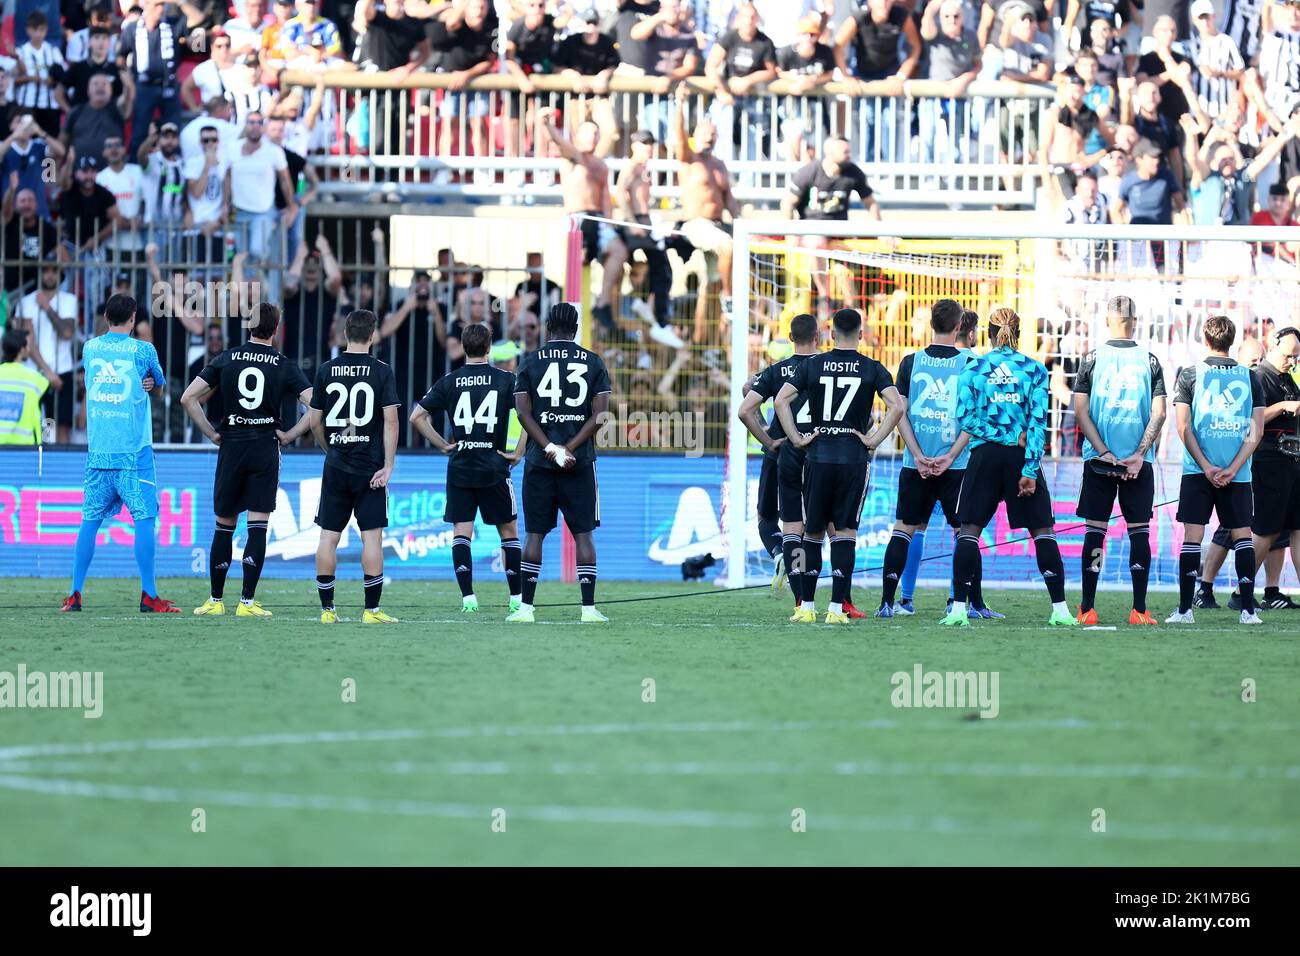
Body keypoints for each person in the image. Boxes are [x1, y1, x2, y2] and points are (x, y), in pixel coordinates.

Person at [944, 307, 1077, 628]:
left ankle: (959, 610)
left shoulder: (974, 368)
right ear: (1019, 332)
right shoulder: (1033, 369)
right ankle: (1060, 610)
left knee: (969, 532)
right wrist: (1030, 470)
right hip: (1020, 458)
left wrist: (997, 434)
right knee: (1043, 532)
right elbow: (1037, 424)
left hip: (985, 457)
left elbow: (965, 418)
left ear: (988, 333)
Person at [181, 302, 314, 618]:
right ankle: (247, 603)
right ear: (276, 329)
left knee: (223, 525)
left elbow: (188, 397)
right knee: (257, 526)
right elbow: (316, 406)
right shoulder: (282, 363)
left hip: (232, 445)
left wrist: (212, 433)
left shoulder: (226, 358)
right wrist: (291, 434)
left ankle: (215, 601)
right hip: (264, 446)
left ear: (248, 326)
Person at [774, 307, 904, 624]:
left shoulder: (813, 364)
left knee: (813, 534)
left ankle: (805, 607)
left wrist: (796, 437)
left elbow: (780, 401)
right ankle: (835, 610)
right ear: (860, 334)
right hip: (853, 457)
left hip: (817, 457)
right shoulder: (872, 368)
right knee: (845, 534)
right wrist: (873, 439)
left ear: (831, 333)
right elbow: (897, 405)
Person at [62, 294, 178, 613]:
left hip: (98, 452)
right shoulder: (143, 350)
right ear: (133, 318)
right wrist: (149, 382)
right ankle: (148, 595)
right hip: (133, 453)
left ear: (105, 318)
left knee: (89, 521)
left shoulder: (90, 348)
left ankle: (74, 593)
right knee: (144, 518)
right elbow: (160, 383)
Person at [881, 299, 991, 619]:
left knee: (905, 528)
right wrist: (949, 456)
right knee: (965, 532)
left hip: (916, 463)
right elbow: (974, 418)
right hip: (957, 464)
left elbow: (898, 411)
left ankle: (890, 602)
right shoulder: (973, 362)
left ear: (932, 324)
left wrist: (916, 453)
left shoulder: (910, 362)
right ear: (960, 327)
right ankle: (962, 603)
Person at [506, 302, 612, 624]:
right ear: (576, 329)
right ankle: (588, 609)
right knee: (583, 535)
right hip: (579, 463)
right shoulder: (593, 363)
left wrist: (551, 447)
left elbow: (523, 413)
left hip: (540, 462)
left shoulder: (530, 362)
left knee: (534, 535)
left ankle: (525, 609)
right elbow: (601, 414)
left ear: (548, 327)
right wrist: (569, 448)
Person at [409, 323, 526, 614]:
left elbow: (417, 416)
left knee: (462, 532)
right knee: (508, 531)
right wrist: (519, 451)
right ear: (489, 348)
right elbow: (528, 413)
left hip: (461, 465)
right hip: (494, 466)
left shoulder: (450, 380)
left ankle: (468, 598)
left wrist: (441, 444)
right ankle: (516, 598)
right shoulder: (506, 379)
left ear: (463, 347)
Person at [298, 308, 400, 625]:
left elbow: (314, 421)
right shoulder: (382, 371)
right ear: (372, 335)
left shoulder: (327, 370)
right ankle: (371, 611)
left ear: (345, 334)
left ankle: (328, 610)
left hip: (337, 465)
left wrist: (329, 447)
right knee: (372, 538)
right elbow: (391, 422)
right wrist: (388, 465)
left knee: (329, 536)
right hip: (370, 468)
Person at [1070, 296, 1168, 626]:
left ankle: (1087, 609)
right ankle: (1139, 610)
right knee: (1139, 533)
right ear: (1135, 321)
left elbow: (1080, 410)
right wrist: (1139, 454)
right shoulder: (1150, 361)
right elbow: (1160, 413)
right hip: (1138, 464)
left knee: (1095, 532)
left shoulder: (1091, 359)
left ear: (1107, 320)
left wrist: (1103, 451)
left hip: (1099, 462)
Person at [1168, 314, 1265, 625]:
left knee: (1192, 538)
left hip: (1198, 472)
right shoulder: (1251, 377)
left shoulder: (1190, 373)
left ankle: (1185, 611)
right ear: (1232, 342)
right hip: (1237, 474)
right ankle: (1248, 611)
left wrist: (1207, 466)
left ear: (1205, 339)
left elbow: (1183, 427)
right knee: (1243, 538)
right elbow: (1256, 430)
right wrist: (1234, 467)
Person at [736, 313, 828, 617]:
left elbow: (746, 405)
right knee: (813, 528)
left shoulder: (777, 370)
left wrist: (767, 438)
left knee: (769, 520)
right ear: (818, 336)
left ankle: (783, 562)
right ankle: (830, 596)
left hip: (782, 451)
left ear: (790, 338)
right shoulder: (827, 367)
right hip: (819, 452)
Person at [541, 110, 626, 331]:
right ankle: (566, 319)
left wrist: (610, 222)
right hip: (578, 218)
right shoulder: (572, 157)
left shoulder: (601, 165)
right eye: (588, 133)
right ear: (578, 137)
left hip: (598, 218)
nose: (593, 137)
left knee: (619, 251)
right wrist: (548, 125)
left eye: (596, 133)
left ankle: (603, 303)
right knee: (579, 265)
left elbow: (606, 197)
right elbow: (559, 142)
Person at [781, 136, 879, 312]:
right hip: (813, 228)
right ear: (830, 153)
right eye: (845, 151)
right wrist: (791, 232)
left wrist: (882, 232)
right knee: (816, 242)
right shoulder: (810, 172)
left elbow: (871, 203)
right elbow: (787, 203)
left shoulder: (853, 172)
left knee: (843, 271)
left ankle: (852, 309)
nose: (849, 155)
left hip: (839, 230)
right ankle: (824, 296)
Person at [673, 84, 741, 315]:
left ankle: (703, 341)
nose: (709, 138)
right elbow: (679, 136)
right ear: (694, 137)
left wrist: (743, 224)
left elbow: (729, 200)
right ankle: (729, 296)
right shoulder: (688, 159)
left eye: (712, 135)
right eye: (704, 134)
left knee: (709, 287)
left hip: (717, 224)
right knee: (727, 246)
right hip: (696, 224)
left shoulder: (719, 165)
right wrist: (680, 105)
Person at [15, 259, 78, 445]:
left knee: (62, 427)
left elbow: (67, 333)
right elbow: (27, 342)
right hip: (35, 373)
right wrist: (48, 372)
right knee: (40, 427)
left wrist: (47, 307)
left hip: (63, 371)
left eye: (54, 271)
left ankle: (62, 471)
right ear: (40, 273)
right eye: (46, 270)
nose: (50, 274)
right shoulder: (26, 302)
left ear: (60, 274)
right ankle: (41, 470)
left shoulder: (68, 300)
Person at [119, 0, 189, 153]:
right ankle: (135, 167)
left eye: (162, 5)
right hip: (143, 87)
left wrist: (181, 3)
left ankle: (175, 167)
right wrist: (128, 82)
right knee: (139, 132)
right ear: (147, 5)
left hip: (168, 86)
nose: (161, 9)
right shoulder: (132, 29)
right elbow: (121, 57)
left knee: (173, 130)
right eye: (156, 4)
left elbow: (198, 42)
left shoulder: (173, 25)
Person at [0, 328, 50, 445]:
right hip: (26, 450)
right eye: (28, 345)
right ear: (22, 349)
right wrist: (47, 443)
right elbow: (48, 418)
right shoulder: (36, 379)